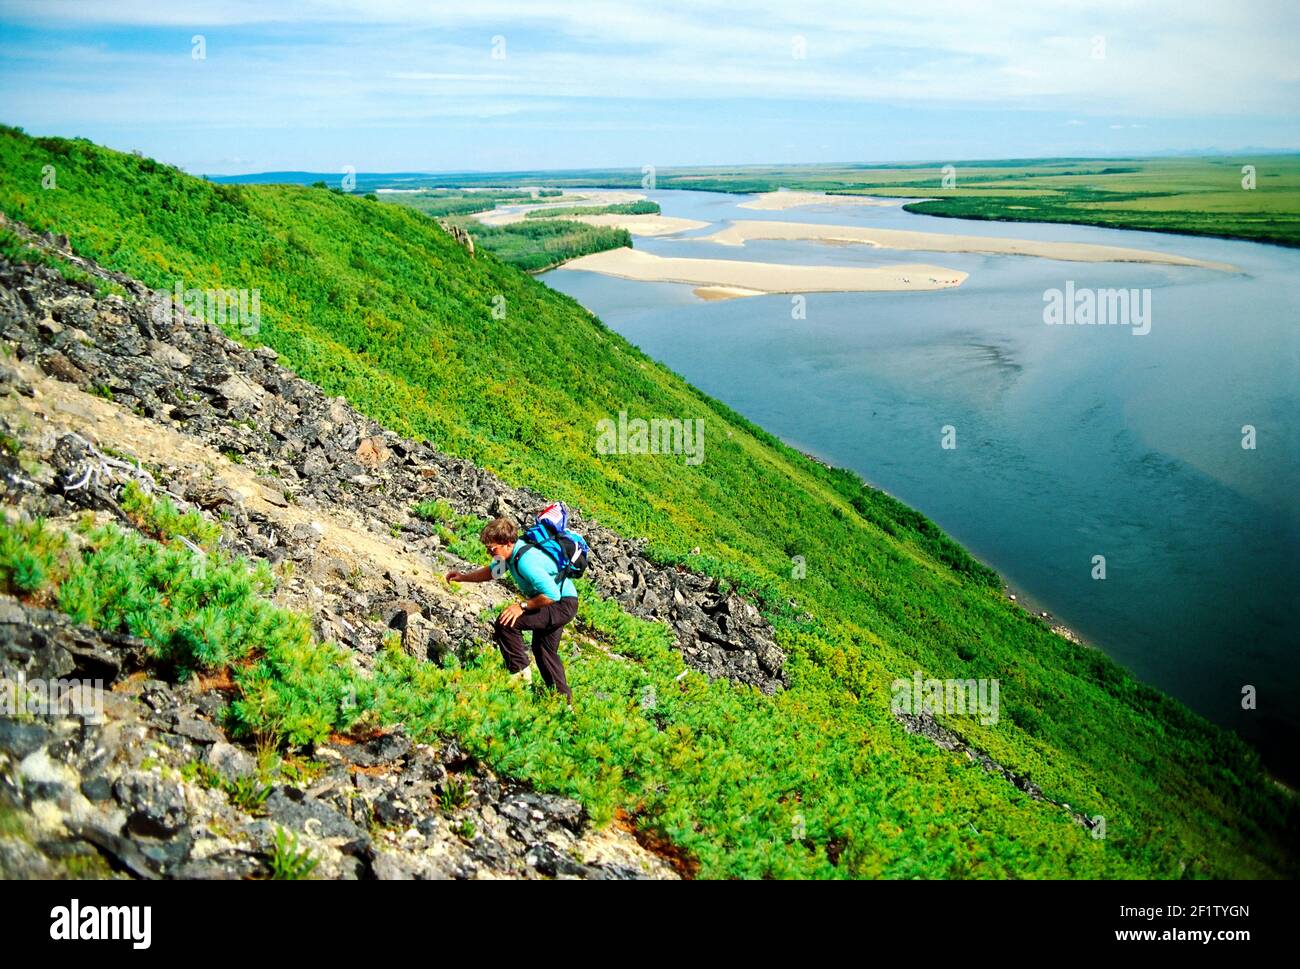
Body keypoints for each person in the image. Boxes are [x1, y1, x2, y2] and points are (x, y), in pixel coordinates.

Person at [444, 516, 578, 699]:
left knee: (506, 622)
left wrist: (522, 606)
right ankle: (563, 703)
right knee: (544, 651)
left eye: (492, 549)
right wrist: (463, 577)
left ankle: (520, 680)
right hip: (558, 601)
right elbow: (494, 572)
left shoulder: (526, 562)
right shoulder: (508, 554)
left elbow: (552, 595)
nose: (490, 553)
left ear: (507, 543)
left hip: (561, 603)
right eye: (488, 549)